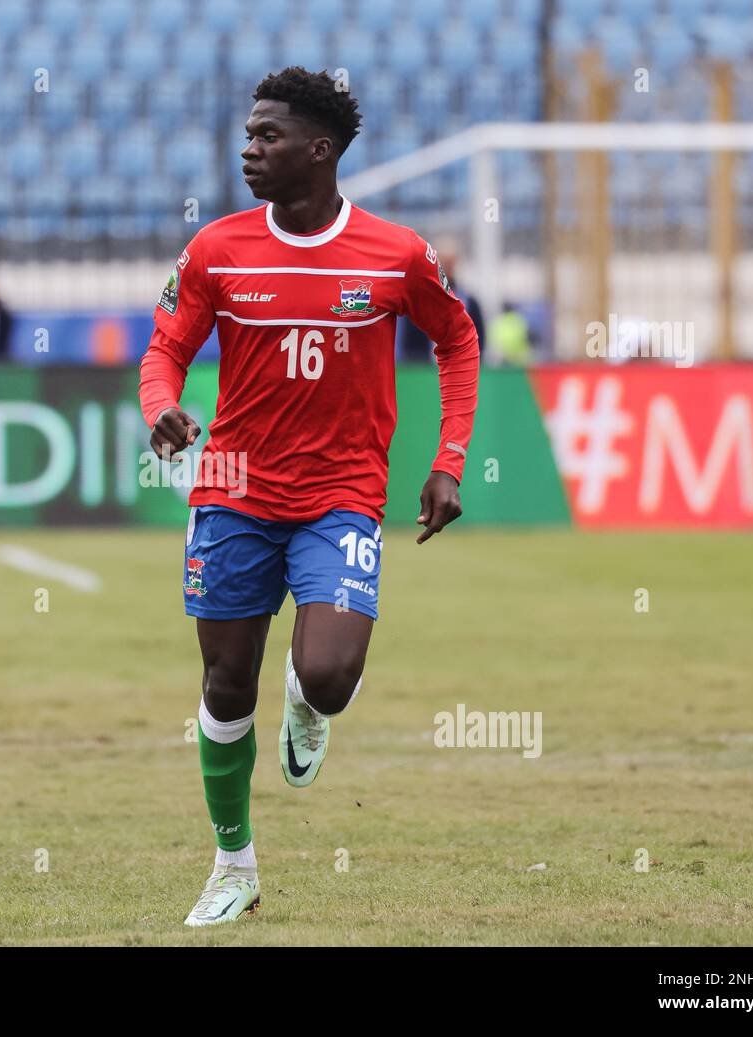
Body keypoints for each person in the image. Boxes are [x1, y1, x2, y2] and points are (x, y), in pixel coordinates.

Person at [138, 67, 479, 927]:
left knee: (327, 675)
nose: (249, 150)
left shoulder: (396, 254)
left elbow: (459, 340)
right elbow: (163, 351)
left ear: (319, 150)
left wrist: (450, 458)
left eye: (268, 137)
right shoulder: (216, 249)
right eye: (249, 135)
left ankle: (308, 703)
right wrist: (162, 409)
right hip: (233, 487)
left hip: (341, 492)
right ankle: (233, 864)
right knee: (224, 683)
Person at [398, 236, 485, 362]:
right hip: (421, 371)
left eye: (450, 263)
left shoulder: (470, 302)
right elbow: (407, 343)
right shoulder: (416, 299)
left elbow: (479, 342)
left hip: (456, 368)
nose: (446, 268)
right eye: (444, 262)